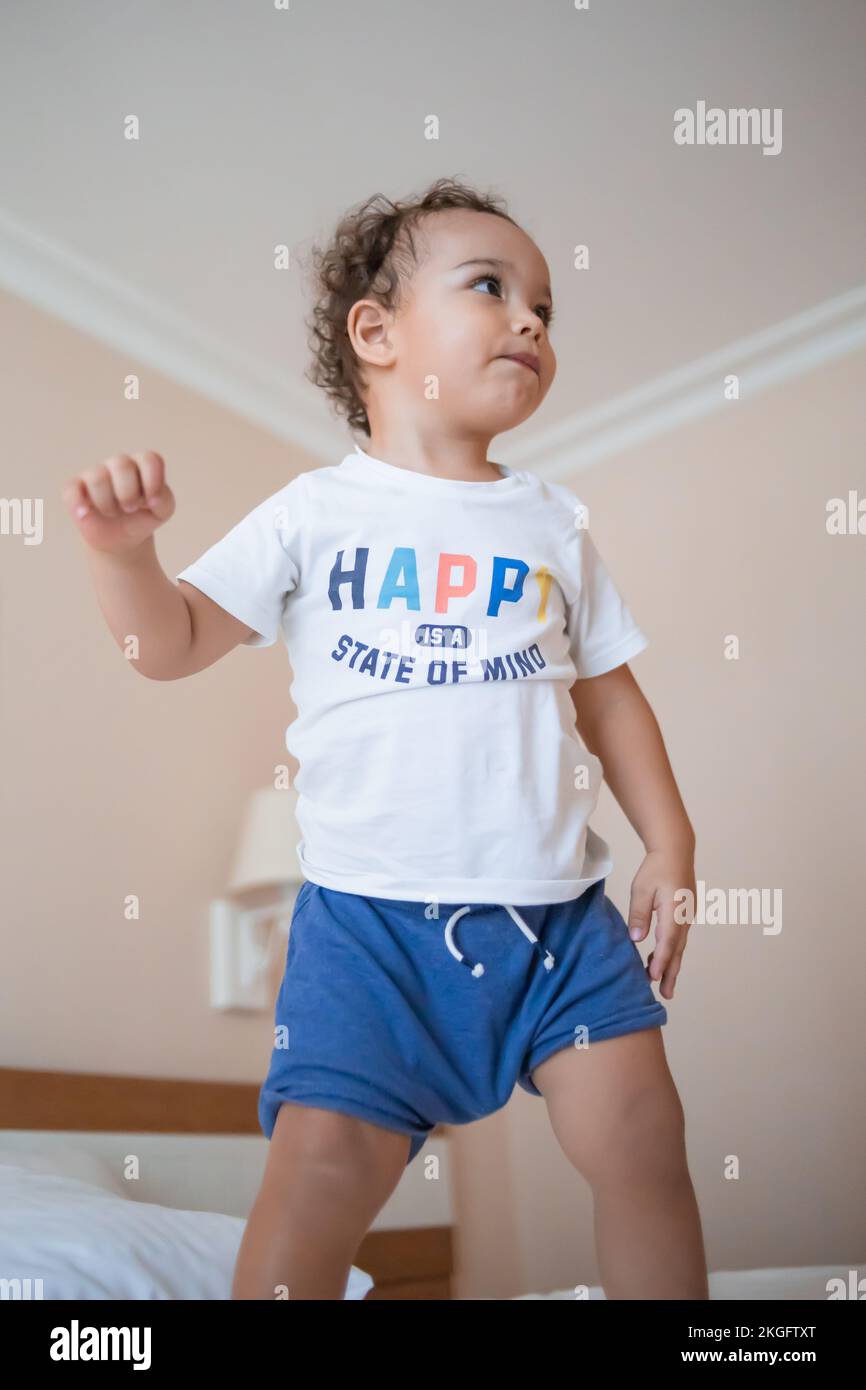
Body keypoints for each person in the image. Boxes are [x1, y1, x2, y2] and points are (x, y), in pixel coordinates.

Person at [63, 177, 708, 1301]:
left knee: (645, 1143)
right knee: (316, 1173)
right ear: (376, 331)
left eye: (546, 309)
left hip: (557, 918)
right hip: (367, 932)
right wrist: (125, 560)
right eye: (491, 288)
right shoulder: (315, 510)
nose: (530, 322)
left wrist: (670, 842)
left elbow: (606, 697)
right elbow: (166, 646)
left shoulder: (552, 522)